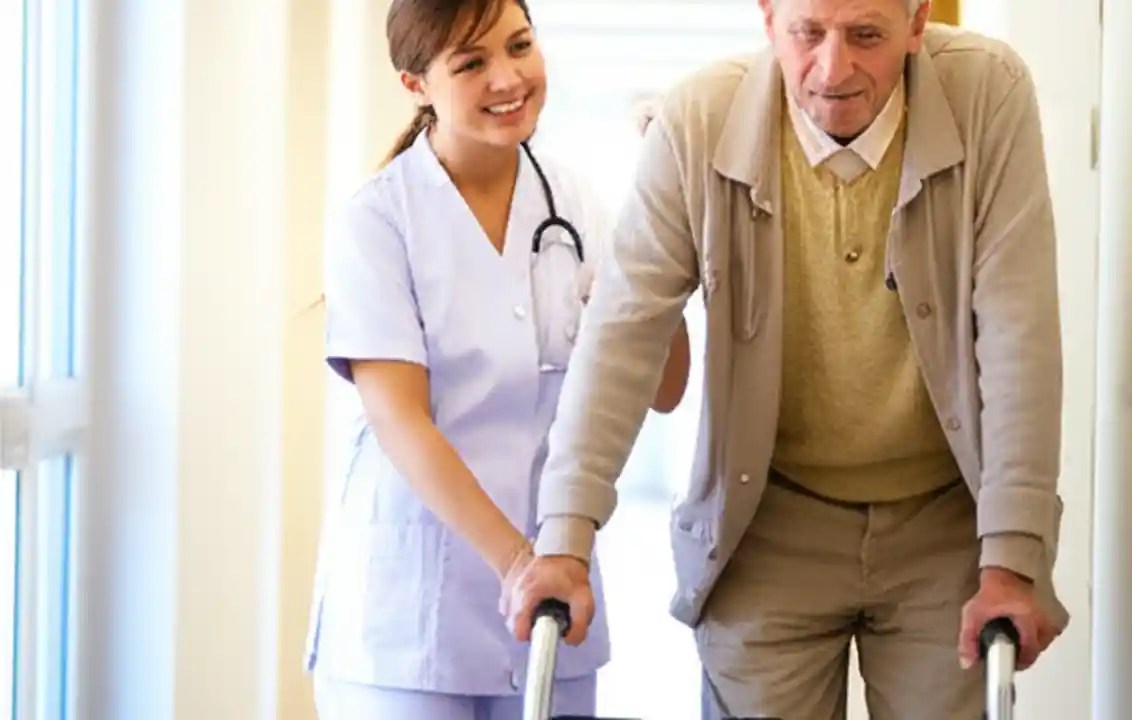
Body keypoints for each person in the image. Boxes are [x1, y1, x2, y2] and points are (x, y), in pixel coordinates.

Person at [507, 0, 1069, 717]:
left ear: (918, 21)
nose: (833, 69)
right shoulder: (695, 122)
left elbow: (1020, 328)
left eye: (866, 34)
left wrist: (1013, 555)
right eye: (808, 33)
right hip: (769, 518)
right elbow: (624, 332)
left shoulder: (987, 93)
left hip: (943, 522)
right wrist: (563, 538)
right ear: (769, 17)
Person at [301, 0, 691, 717]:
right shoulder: (377, 222)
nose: (508, 77)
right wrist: (520, 564)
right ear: (416, 84)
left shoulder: (577, 203)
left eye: (519, 46)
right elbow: (402, 425)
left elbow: (664, 389)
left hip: (552, 610)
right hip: (412, 619)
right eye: (471, 62)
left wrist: (655, 250)